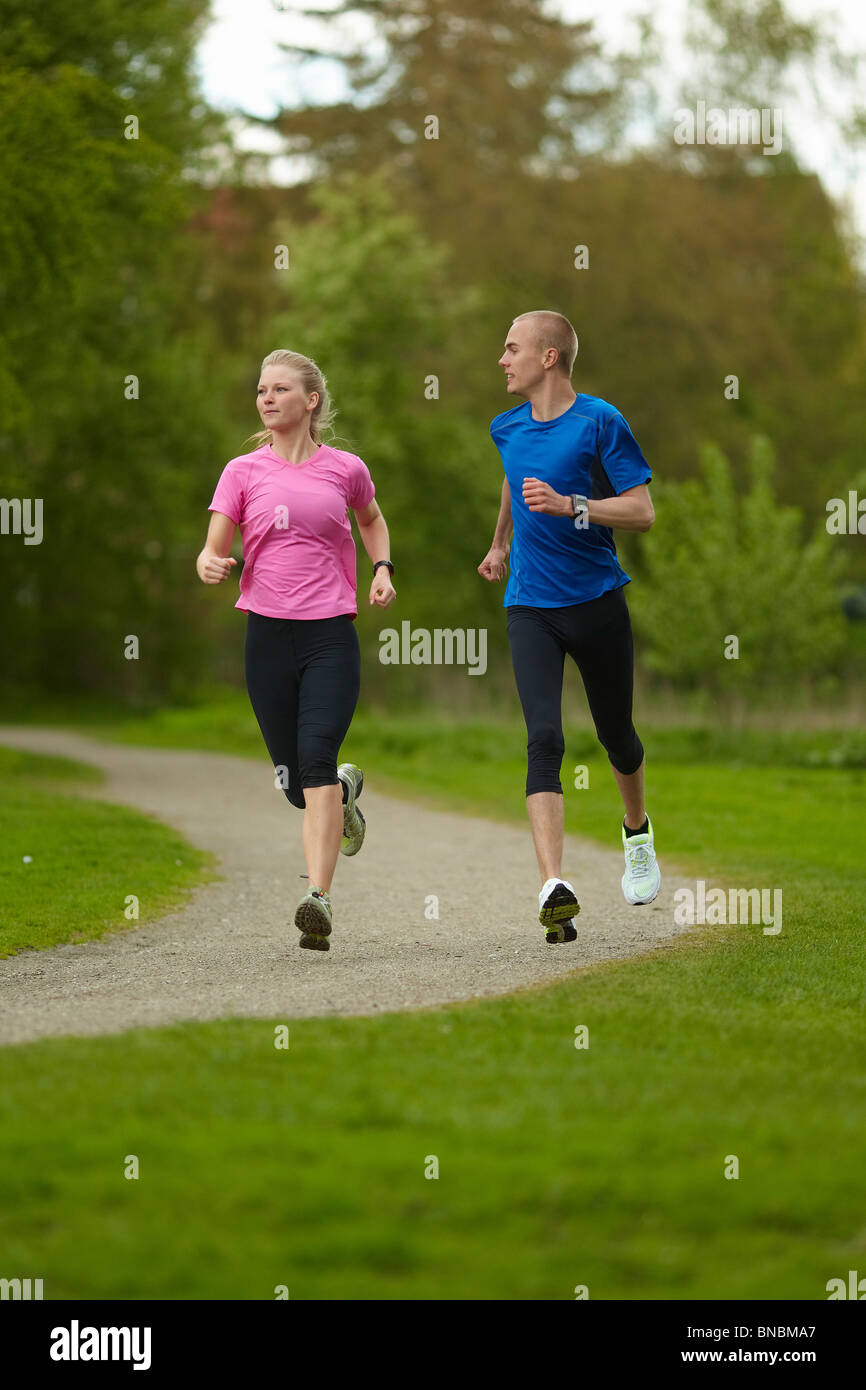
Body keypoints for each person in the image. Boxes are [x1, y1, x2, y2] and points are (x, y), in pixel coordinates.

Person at [197, 349, 395, 951]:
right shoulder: (241, 472)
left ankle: (319, 899)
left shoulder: (346, 469)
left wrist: (381, 567)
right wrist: (209, 562)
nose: (266, 397)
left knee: (312, 762)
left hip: (329, 634)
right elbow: (214, 546)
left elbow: (372, 519)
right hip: (266, 636)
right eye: (261, 389)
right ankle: (344, 789)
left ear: (310, 401)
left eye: (280, 388)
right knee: (295, 785)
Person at [478, 310, 660, 943]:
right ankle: (554, 887)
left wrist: (571, 506)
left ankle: (636, 832)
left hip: (596, 601)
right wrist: (500, 545)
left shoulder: (600, 421)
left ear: (548, 357)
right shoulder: (506, 426)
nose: (502, 360)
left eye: (511, 349)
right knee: (544, 736)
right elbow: (512, 483)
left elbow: (641, 512)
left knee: (617, 734)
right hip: (530, 606)